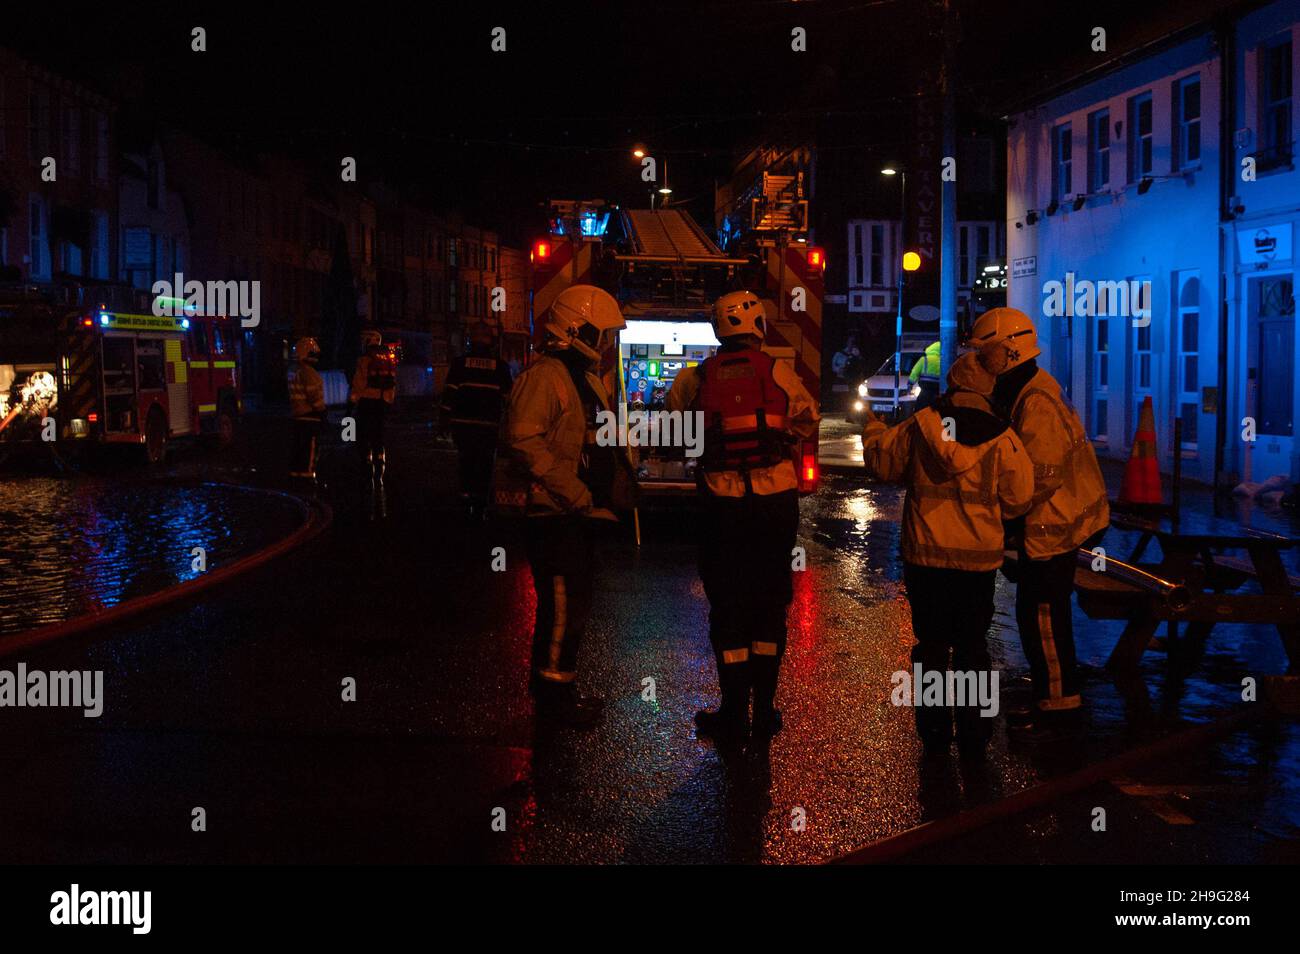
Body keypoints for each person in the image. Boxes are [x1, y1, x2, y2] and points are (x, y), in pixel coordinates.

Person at [861, 353, 1035, 756]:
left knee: (932, 645)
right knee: (973, 646)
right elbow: (1019, 498)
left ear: (952, 385)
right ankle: (975, 734)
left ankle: (935, 733)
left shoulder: (921, 425)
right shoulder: (1003, 436)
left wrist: (872, 428)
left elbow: (884, 465)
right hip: (976, 563)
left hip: (926, 560)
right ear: (988, 388)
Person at [666, 290, 819, 742]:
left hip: (721, 506)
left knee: (728, 607)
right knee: (769, 605)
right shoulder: (779, 371)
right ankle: (764, 710)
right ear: (758, 328)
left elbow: (679, 435)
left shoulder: (693, 379)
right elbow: (806, 417)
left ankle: (732, 711)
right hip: (774, 506)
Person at [969, 307, 1109, 727]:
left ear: (1008, 351)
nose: (981, 361)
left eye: (986, 352)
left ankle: (1058, 706)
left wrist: (1005, 517)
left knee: (1043, 616)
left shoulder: (1035, 399)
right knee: (1039, 612)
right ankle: (1053, 695)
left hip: (1054, 525)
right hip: (1052, 522)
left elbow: (1039, 476)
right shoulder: (1028, 388)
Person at [502, 285, 633, 726]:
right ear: (581, 329)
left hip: (575, 517)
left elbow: (589, 437)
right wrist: (573, 491)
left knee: (573, 606)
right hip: (554, 516)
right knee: (560, 608)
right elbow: (523, 439)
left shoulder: (581, 378)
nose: (609, 343)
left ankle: (562, 690)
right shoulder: (545, 377)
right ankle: (553, 703)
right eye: (605, 334)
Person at [441, 322, 513, 517]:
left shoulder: (459, 364)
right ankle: (481, 501)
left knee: (466, 460)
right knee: (485, 462)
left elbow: (449, 395)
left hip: (463, 425)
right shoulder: (500, 367)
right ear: (491, 342)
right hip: (489, 426)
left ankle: (466, 499)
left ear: (470, 341)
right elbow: (509, 400)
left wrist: (443, 422)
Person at [350, 329, 396, 485]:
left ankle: (366, 468)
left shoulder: (364, 360)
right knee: (379, 436)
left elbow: (359, 383)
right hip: (382, 403)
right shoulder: (388, 359)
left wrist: (352, 401)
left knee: (363, 436)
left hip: (366, 402)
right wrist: (387, 401)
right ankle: (380, 470)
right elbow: (393, 384)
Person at [287, 336, 325, 480]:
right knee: (310, 449)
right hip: (311, 416)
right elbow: (314, 396)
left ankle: (295, 476)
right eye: (312, 353)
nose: (315, 357)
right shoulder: (309, 372)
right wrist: (322, 411)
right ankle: (308, 478)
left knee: (298, 449)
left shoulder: (293, 371)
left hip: (297, 416)